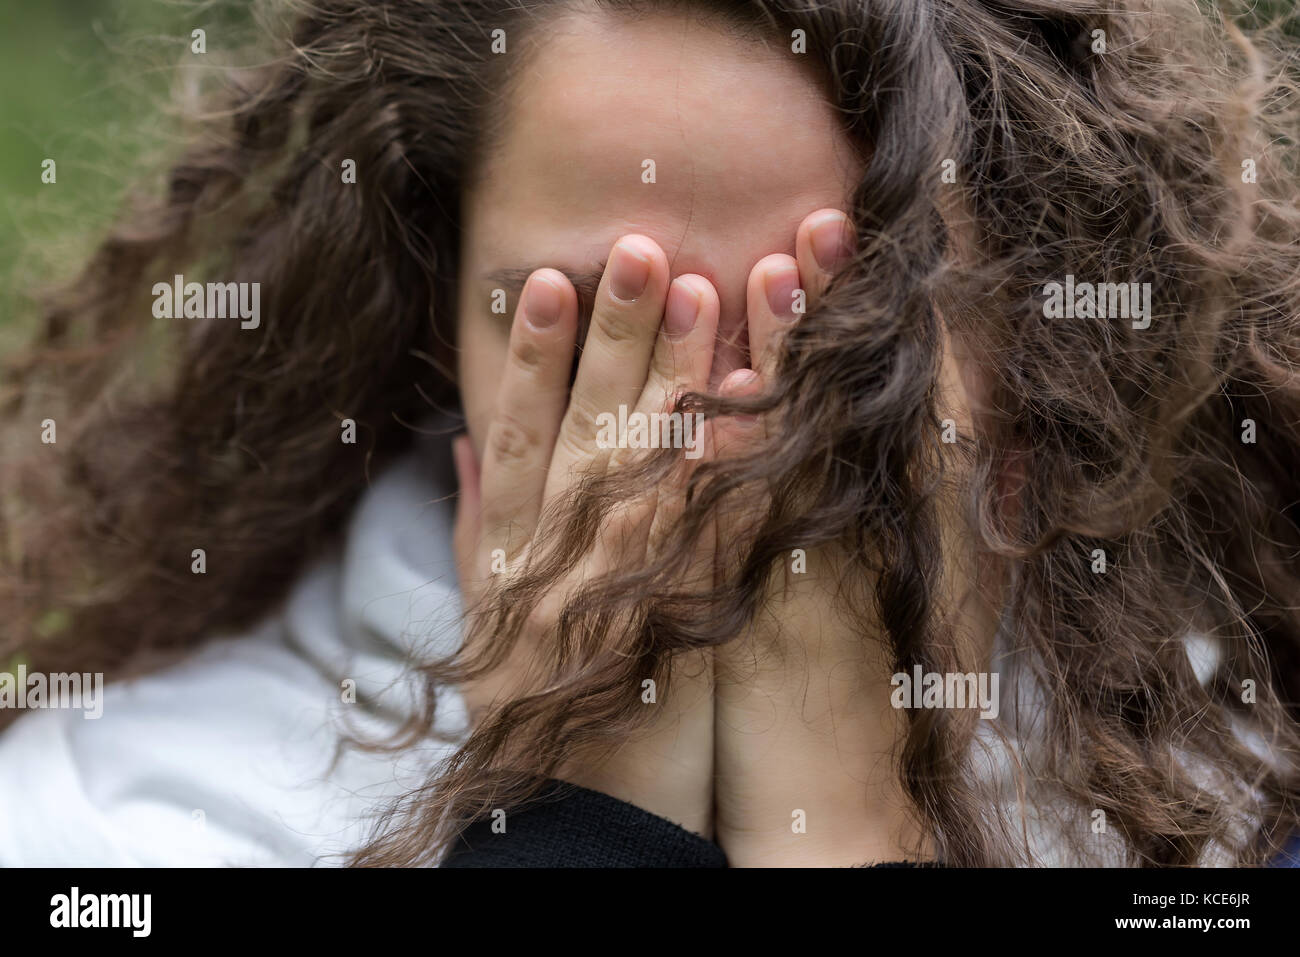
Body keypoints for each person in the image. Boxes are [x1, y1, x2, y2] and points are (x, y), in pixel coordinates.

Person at [2, 0, 1299, 868]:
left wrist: (858, 828)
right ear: (434, 328)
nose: (723, 428)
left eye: (842, 333)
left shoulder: (1239, 795)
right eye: (591, 329)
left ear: (1032, 352)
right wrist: (562, 808)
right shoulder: (109, 827)